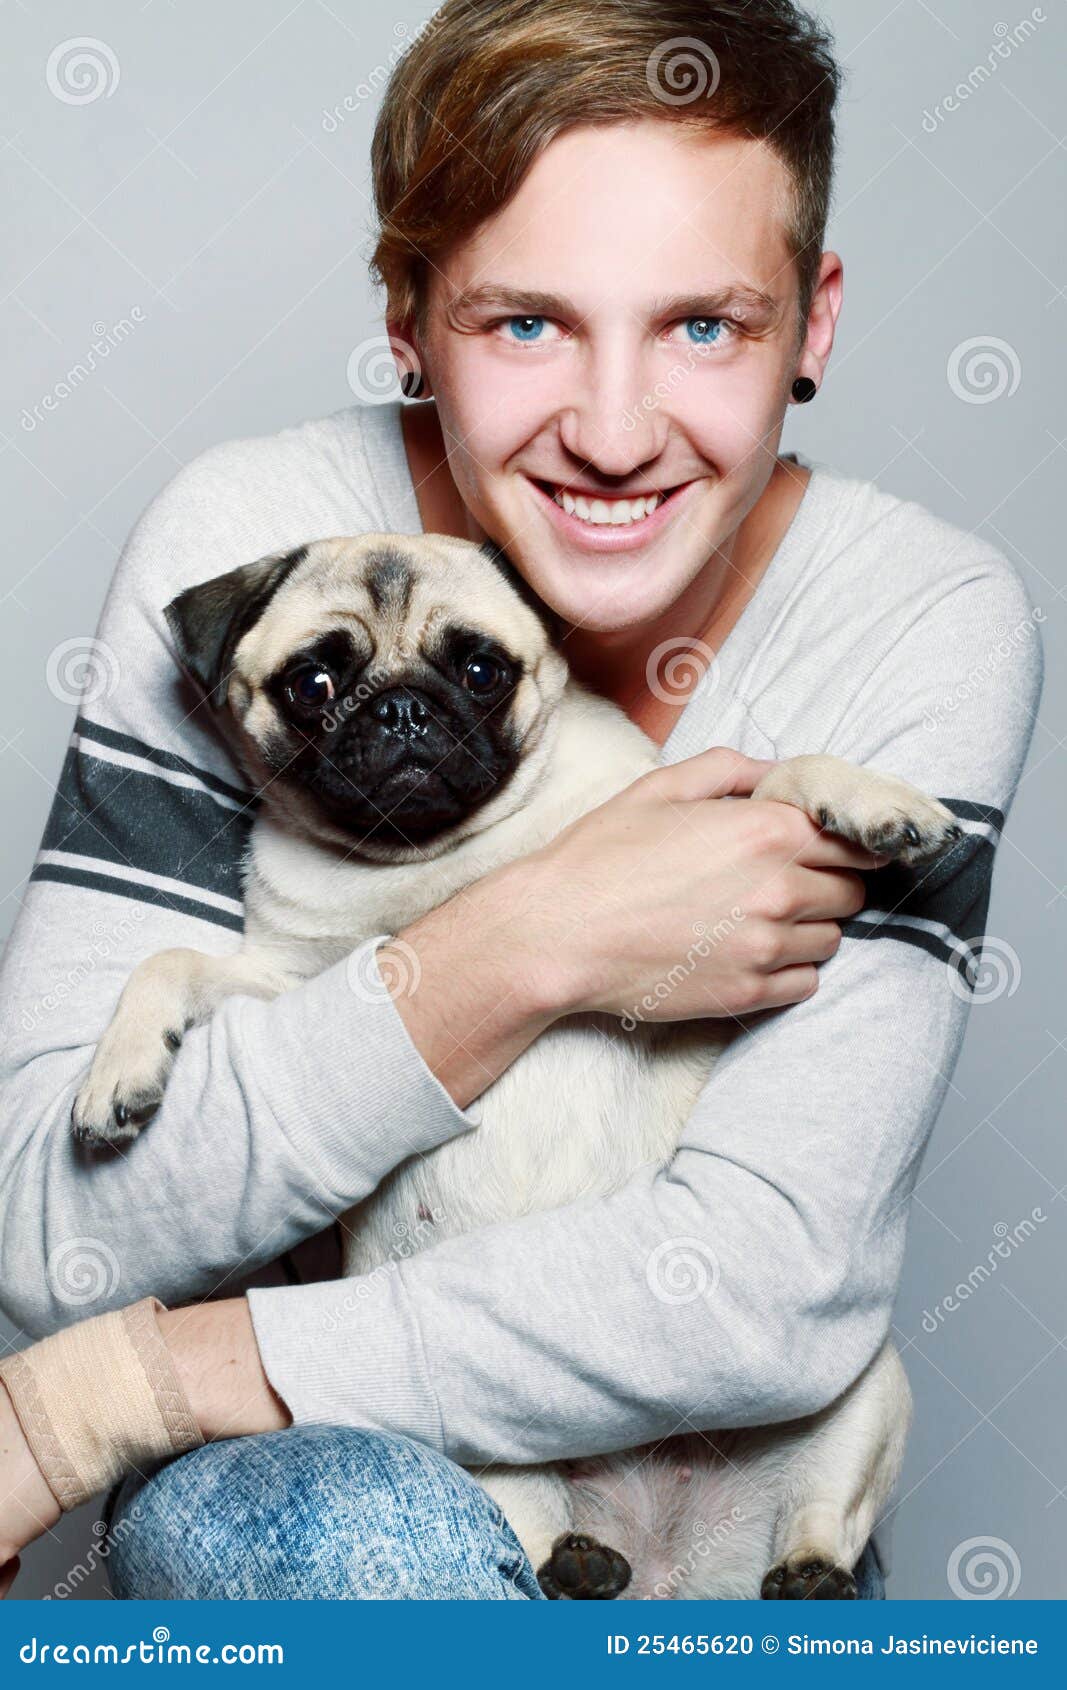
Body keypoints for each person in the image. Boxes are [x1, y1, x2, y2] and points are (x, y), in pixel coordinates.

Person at [0, 0, 1041, 1601]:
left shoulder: (917, 618)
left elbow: (769, 1289)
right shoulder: (252, 538)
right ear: (406, 320)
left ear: (815, 323)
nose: (614, 432)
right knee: (361, 1530)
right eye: (524, 324)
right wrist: (537, 939)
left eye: (706, 324)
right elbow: (50, 1233)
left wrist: (113, 1394)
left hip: (722, 1501)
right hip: (352, 1492)